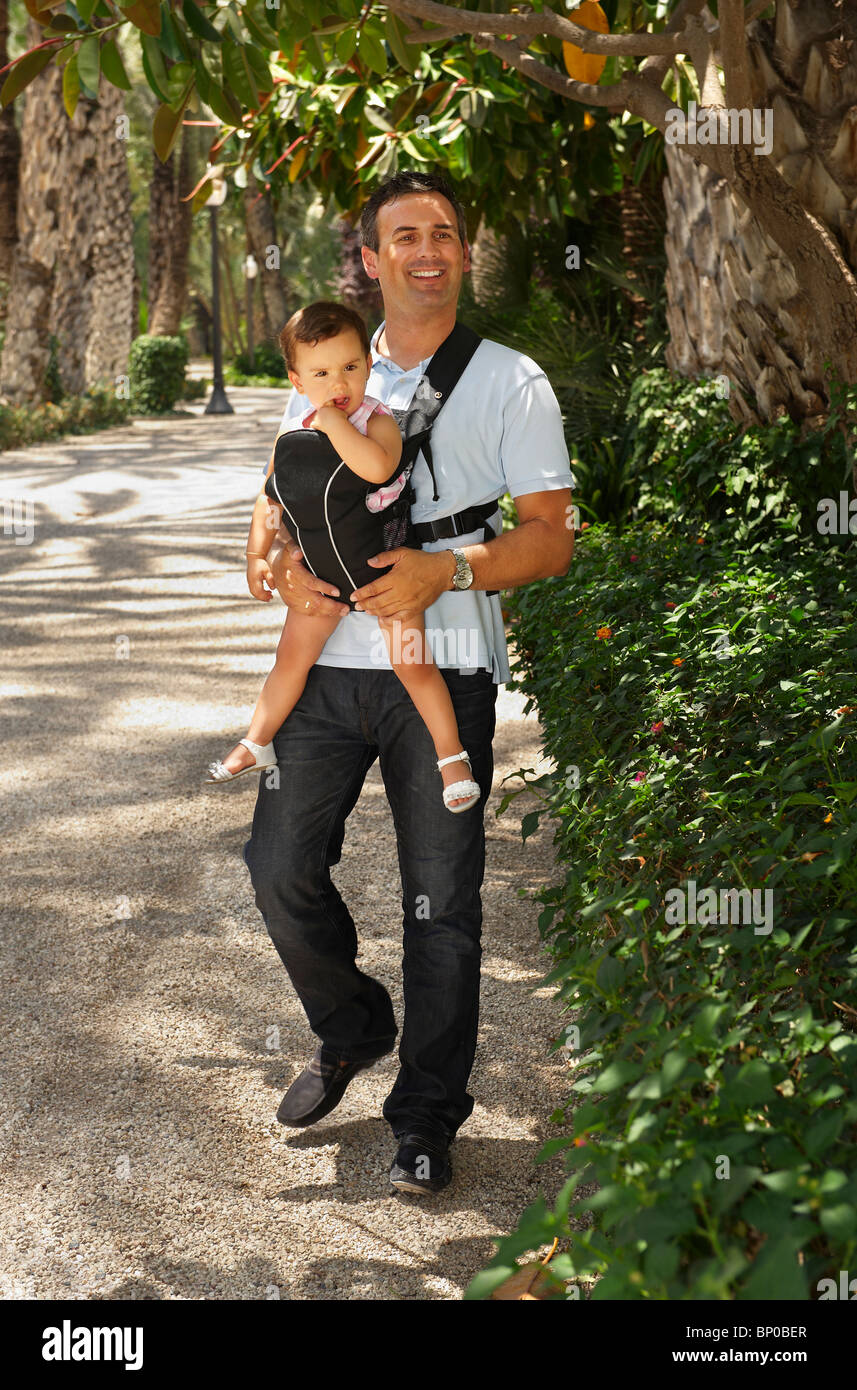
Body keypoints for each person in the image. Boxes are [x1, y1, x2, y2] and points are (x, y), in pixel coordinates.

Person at [243, 170, 575, 1195]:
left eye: (444, 232)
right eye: (403, 234)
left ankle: (426, 1116)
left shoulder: (511, 382)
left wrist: (451, 568)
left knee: (443, 908)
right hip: (324, 681)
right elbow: (277, 511)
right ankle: (350, 1026)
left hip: (445, 670)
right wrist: (271, 560)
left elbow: (551, 540)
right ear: (371, 257)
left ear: (464, 253)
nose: (425, 248)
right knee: (276, 867)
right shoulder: (326, 364)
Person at [205, 301, 481, 812]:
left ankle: (451, 757)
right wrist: (256, 555)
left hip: (382, 573)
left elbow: (377, 469)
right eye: (322, 372)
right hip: (321, 578)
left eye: (351, 367)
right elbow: (270, 496)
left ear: (368, 367)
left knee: (412, 663)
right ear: (296, 380)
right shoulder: (292, 434)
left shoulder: (378, 422)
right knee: (291, 658)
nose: (339, 382)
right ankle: (256, 741)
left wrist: (335, 425)